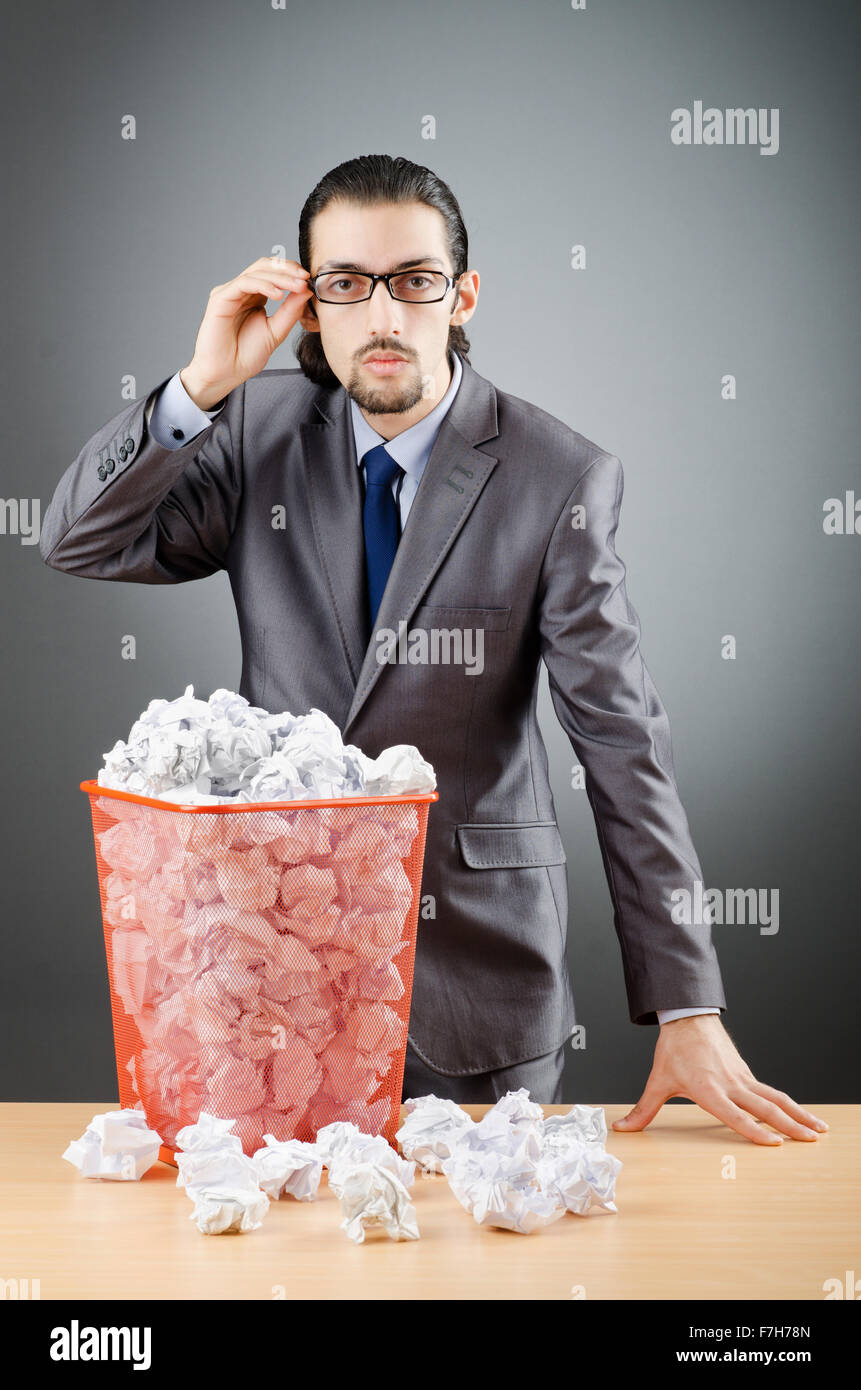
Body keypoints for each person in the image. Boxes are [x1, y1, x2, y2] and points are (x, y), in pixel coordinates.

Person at [41, 154, 826, 1143]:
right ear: (310, 304)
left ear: (462, 295)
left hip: (478, 988)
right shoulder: (254, 429)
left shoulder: (558, 475)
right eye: (347, 285)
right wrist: (199, 386)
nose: (383, 318)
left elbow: (624, 746)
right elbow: (78, 538)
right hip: (269, 973)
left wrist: (689, 1005)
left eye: (413, 281)